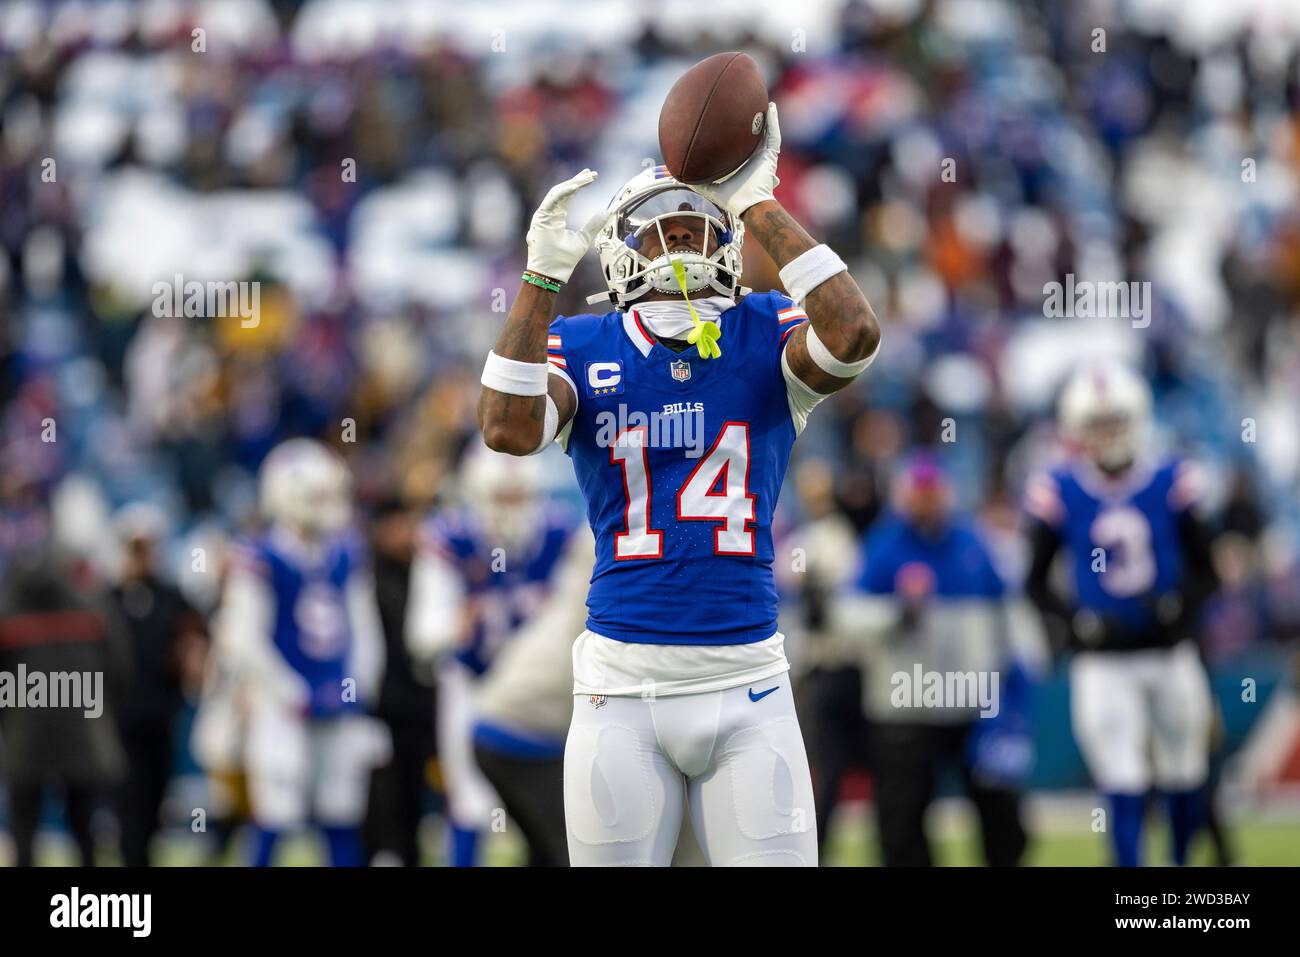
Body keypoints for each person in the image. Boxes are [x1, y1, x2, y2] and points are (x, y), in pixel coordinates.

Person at [477, 103, 881, 866]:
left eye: (698, 225)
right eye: (660, 229)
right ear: (622, 251)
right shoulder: (582, 342)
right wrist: (539, 277)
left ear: (728, 238)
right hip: (620, 686)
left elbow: (854, 335)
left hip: (749, 678)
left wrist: (759, 203)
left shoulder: (764, 332)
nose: (681, 241)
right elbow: (504, 426)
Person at [1024, 360, 1216, 866]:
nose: (1107, 434)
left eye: (1115, 422)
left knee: (1185, 768)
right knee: (1121, 773)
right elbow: (1035, 582)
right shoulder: (1060, 488)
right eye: (1096, 424)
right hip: (1103, 658)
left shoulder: (1172, 478)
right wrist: (1074, 624)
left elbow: (1208, 570)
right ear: (1076, 431)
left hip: (1170, 651)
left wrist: (1182, 608)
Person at [834, 456, 1033, 866]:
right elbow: (845, 615)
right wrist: (896, 613)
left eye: (933, 493)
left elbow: (1011, 617)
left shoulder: (974, 543)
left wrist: (1013, 688)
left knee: (1002, 814)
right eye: (919, 493)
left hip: (970, 704)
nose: (927, 502)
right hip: (905, 706)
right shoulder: (885, 545)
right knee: (900, 822)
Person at [206, 439, 387, 866]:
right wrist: (289, 690)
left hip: (337, 699)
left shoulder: (346, 549)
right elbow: (242, 637)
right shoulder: (260, 555)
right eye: (316, 496)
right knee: (278, 810)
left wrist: (356, 684)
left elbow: (364, 627)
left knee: (342, 808)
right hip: (282, 705)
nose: (327, 505)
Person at [405, 443, 575, 866]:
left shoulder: (560, 532)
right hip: (471, 683)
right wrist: (452, 629)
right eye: (502, 497)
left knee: (554, 805)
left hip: (538, 690)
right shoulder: (451, 537)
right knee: (469, 801)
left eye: (518, 496)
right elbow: (423, 632)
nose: (512, 506)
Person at [0, 536, 131, 866]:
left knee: (24, 830)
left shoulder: (8, 612)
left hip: (23, 736)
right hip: (83, 735)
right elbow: (120, 670)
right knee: (84, 829)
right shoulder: (92, 609)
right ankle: (86, 911)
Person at [109, 503, 207, 867]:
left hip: (162, 716)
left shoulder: (172, 597)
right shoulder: (109, 599)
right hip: (120, 720)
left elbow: (196, 644)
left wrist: (193, 656)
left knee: (155, 798)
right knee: (128, 802)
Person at [362, 497, 435, 867]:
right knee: (383, 793)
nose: (408, 534)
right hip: (381, 706)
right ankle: (385, 854)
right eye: (399, 526)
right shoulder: (365, 577)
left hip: (423, 702)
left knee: (420, 794)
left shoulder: (427, 571)